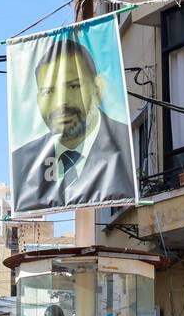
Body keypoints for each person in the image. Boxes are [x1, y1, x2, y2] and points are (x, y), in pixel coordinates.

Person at [11, 37, 136, 213]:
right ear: (38, 100)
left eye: (73, 87)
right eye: (49, 91)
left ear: (98, 90)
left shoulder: (124, 144)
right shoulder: (22, 161)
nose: (60, 103)